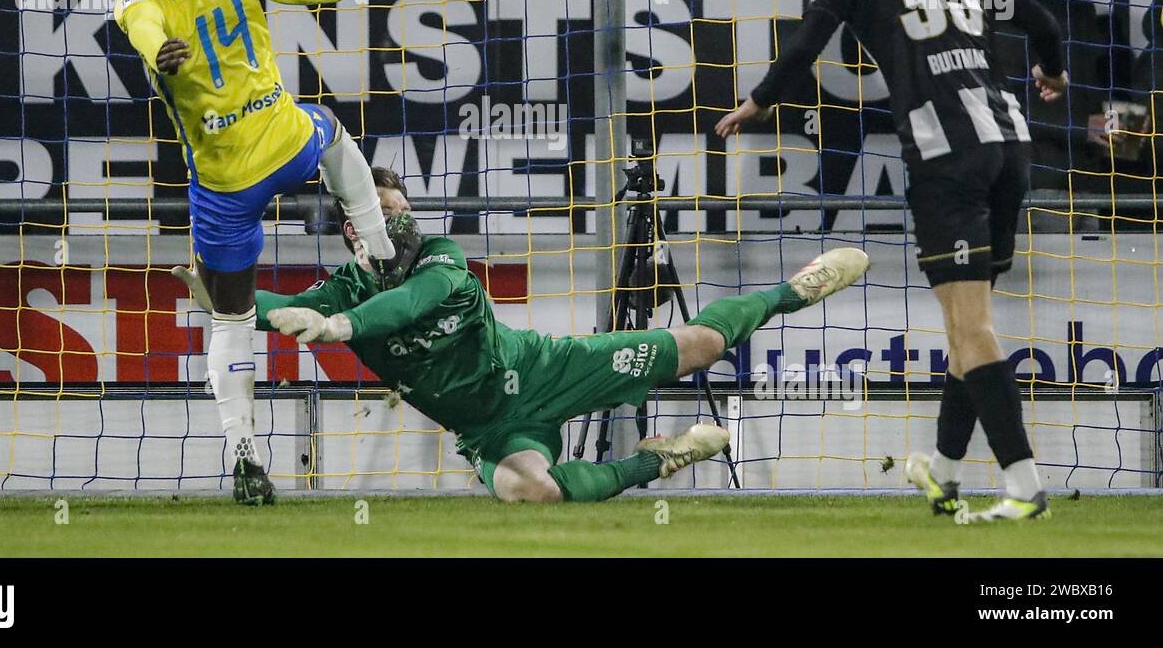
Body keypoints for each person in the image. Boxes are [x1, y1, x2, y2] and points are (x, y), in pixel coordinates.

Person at [715, 0, 1068, 521]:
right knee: (969, 325)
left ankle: (1025, 488)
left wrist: (759, 101)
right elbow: (1044, 24)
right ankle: (940, 471)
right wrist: (1051, 74)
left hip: (948, 154)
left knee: (971, 328)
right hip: (1009, 143)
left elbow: (804, 45)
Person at [177, 167, 870, 502]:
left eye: (400, 208)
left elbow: (414, 302)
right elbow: (257, 305)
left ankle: (793, 289)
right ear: (350, 229)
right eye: (378, 213)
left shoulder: (439, 259)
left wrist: (341, 327)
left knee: (698, 347)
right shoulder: (339, 292)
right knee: (531, 494)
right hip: (492, 431)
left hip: (546, 370)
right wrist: (218, 286)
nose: (396, 221)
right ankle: (657, 460)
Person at [110, 0, 408, 505]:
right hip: (283, 137)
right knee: (333, 136)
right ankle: (383, 253)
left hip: (221, 184)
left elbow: (142, 24)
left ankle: (244, 453)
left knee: (230, 320)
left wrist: (158, 51)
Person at [991, 0, 1130, 195]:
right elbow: (1000, 105)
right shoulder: (1008, 8)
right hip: (1037, 184)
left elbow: (1091, 95)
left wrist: (1120, 123)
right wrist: (1084, 127)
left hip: (1086, 181)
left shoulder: (1082, 8)